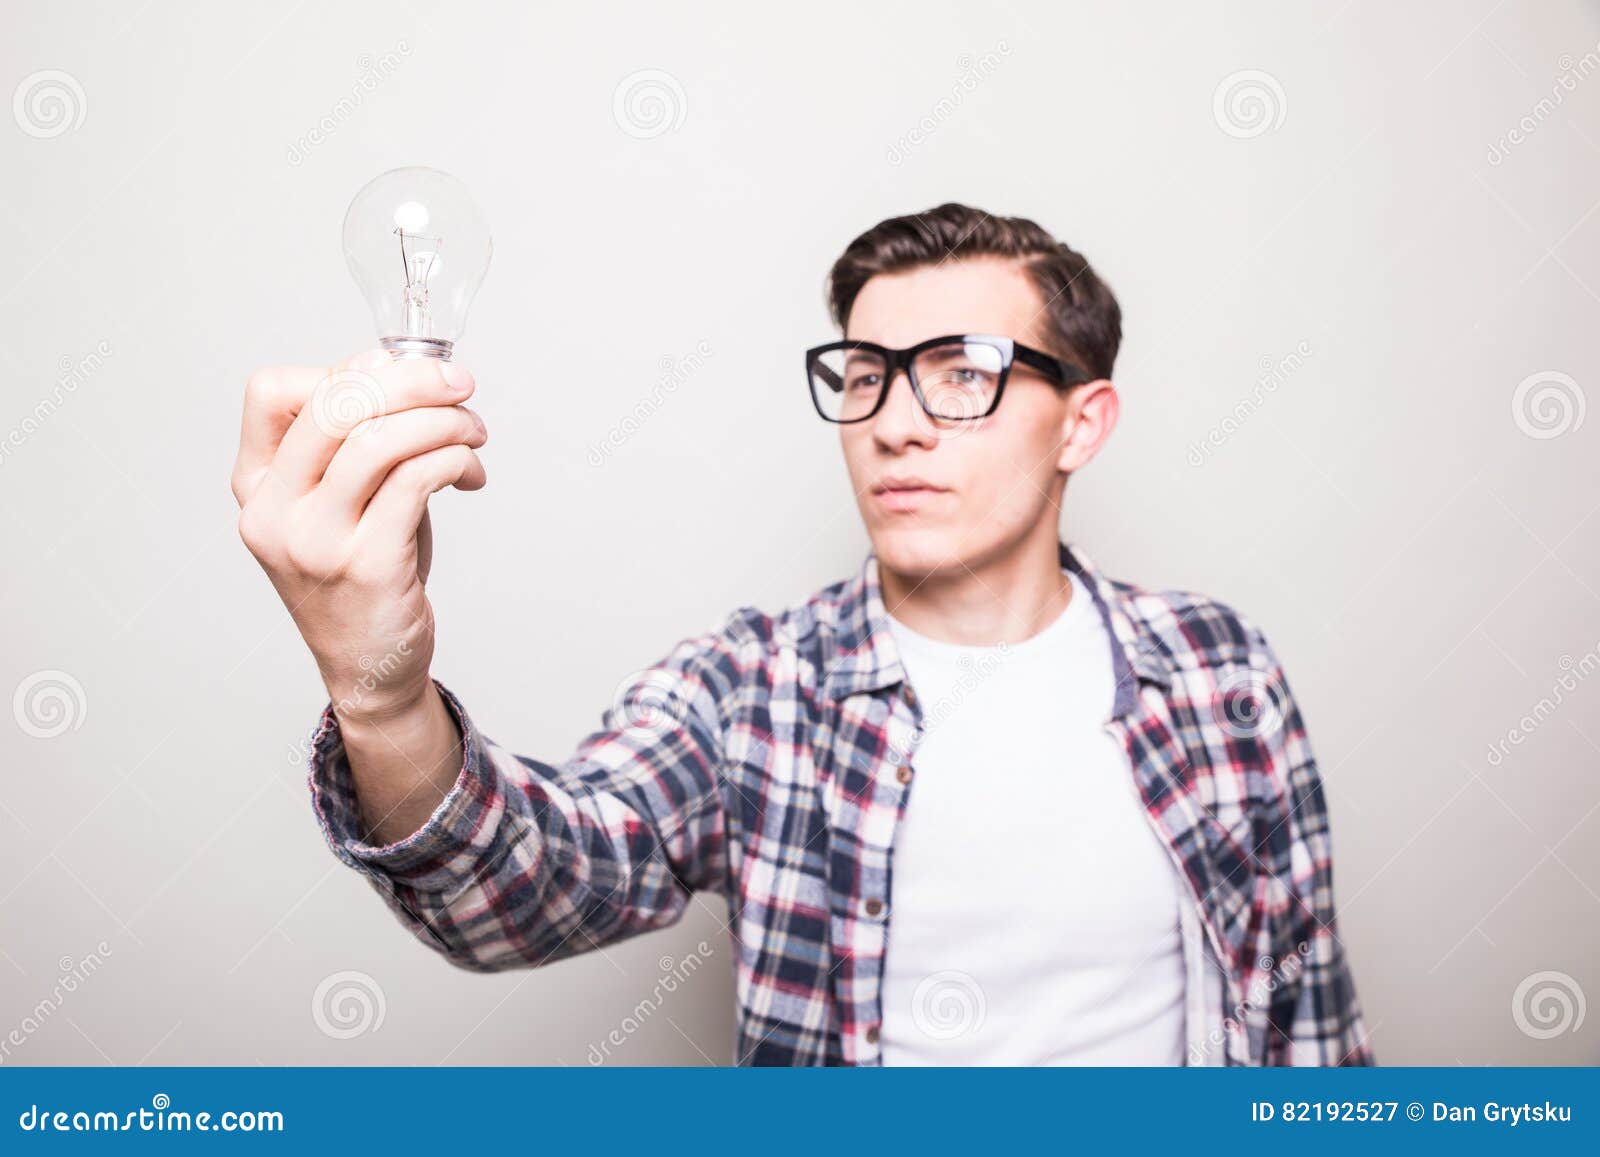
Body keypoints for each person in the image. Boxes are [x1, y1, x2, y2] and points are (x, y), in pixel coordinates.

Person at [231, 203, 1372, 1066]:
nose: (893, 425)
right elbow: (521, 891)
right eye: (866, 375)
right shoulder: (756, 687)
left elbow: (1312, 1025)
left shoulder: (1217, 673)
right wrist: (378, 688)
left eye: (961, 374)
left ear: (1083, 421)